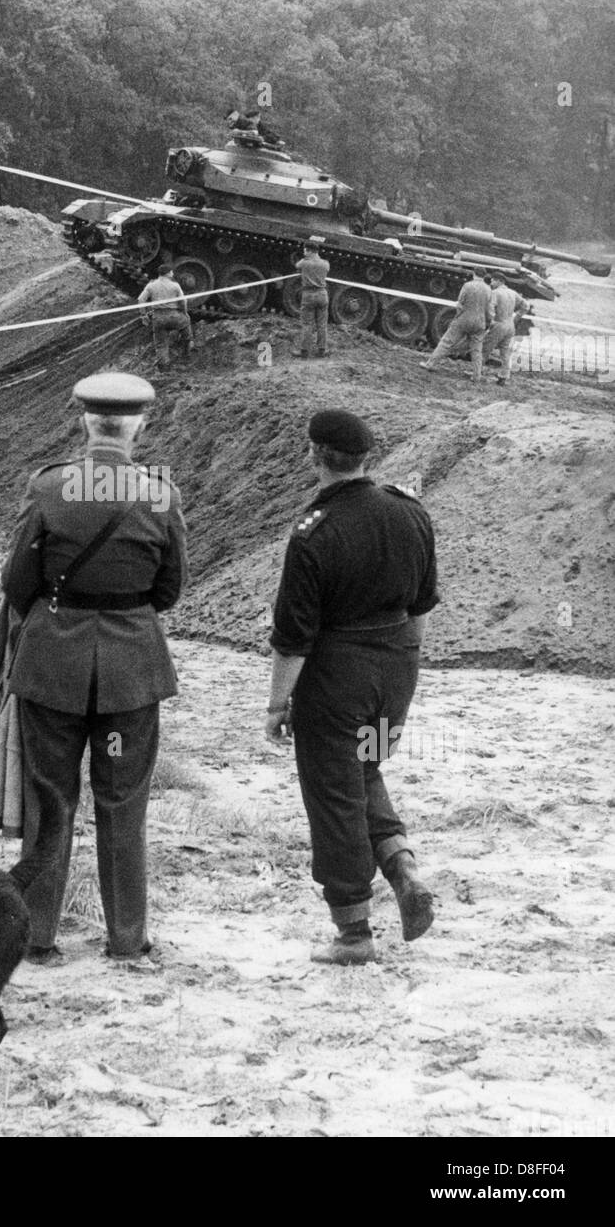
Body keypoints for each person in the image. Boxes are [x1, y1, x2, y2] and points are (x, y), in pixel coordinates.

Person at [1, 372, 188, 967]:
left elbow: (16, 582)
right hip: (131, 667)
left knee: (50, 797)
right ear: (140, 424)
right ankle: (127, 939)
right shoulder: (161, 494)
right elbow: (170, 589)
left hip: (53, 662)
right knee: (124, 801)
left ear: (84, 422)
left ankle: (36, 936)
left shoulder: (49, 487)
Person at [265, 410, 440, 964]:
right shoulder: (411, 512)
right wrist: (400, 668)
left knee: (334, 793)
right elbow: (422, 608)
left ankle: (353, 932)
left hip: (336, 679)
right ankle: (402, 867)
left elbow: (293, 639)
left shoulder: (313, 533)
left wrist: (276, 704)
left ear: (314, 456)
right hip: (397, 670)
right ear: (367, 457)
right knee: (364, 769)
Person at [421, 268, 493, 381]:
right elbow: (489, 311)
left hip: (464, 319)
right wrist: (487, 323)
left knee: (446, 342)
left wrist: (458, 316)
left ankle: (430, 364)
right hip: (480, 322)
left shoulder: (468, 285)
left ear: (474, 274)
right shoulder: (489, 290)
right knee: (477, 350)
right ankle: (476, 375)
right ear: (484, 276)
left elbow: (460, 304)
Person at [138, 265, 193, 367]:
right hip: (175, 316)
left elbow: (141, 299)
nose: (173, 273)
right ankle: (187, 354)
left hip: (158, 318)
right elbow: (183, 301)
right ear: (168, 273)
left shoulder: (151, 285)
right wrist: (184, 312)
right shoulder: (175, 285)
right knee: (186, 329)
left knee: (161, 344)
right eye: (171, 271)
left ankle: (164, 368)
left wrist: (143, 315)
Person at [483, 272, 527, 386]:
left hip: (499, 324)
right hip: (510, 325)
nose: (491, 283)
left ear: (499, 281)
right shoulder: (513, 293)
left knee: (485, 348)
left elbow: (490, 307)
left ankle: (475, 372)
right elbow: (525, 305)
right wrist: (517, 317)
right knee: (505, 352)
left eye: (493, 280)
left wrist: (490, 321)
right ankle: (504, 376)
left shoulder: (495, 293)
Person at [292, 239, 331, 359]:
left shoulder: (304, 262)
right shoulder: (325, 263)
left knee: (307, 324)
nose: (304, 252)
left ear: (309, 251)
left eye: (305, 250)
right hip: (322, 294)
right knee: (322, 324)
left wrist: (303, 259)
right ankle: (322, 350)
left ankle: (304, 351)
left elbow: (296, 265)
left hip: (308, 295)